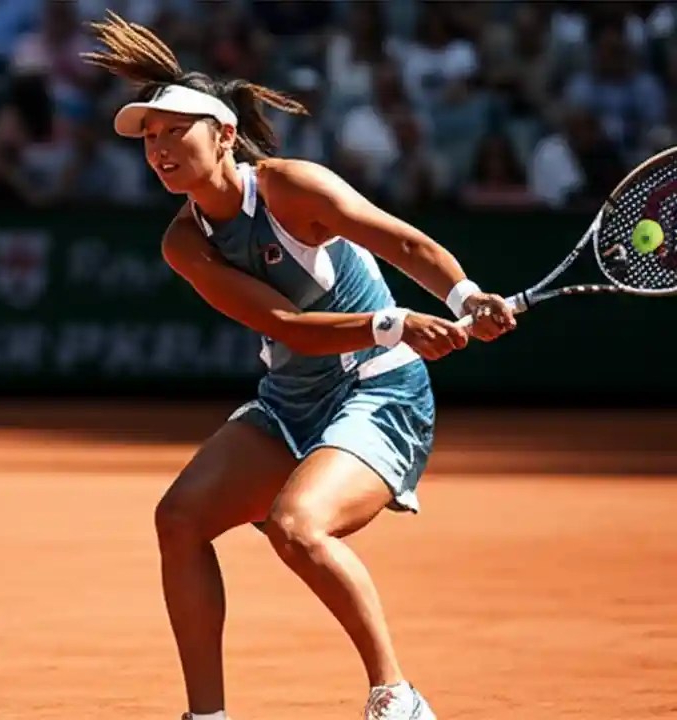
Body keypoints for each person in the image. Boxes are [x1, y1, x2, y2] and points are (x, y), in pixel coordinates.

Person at [80, 13, 516, 720]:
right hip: (293, 399)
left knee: (297, 527)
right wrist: (395, 321)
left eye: (174, 132)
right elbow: (285, 327)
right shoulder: (183, 243)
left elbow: (403, 244)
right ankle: (207, 716)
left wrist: (466, 295)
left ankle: (397, 697)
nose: (158, 149)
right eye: (149, 139)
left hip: (381, 391)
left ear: (223, 134)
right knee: (179, 519)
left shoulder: (291, 187)